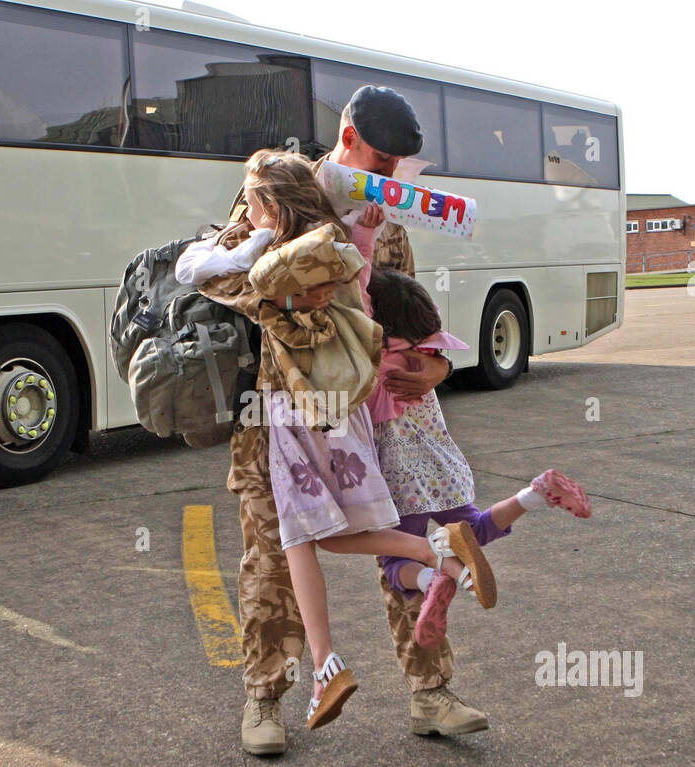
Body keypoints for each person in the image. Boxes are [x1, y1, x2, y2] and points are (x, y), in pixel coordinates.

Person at [190, 151, 497, 729]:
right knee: (273, 563)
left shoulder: (386, 214)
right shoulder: (271, 194)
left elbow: (408, 314)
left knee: (392, 533)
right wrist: (291, 287)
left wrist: (437, 367)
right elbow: (222, 279)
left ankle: (431, 692)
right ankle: (267, 698)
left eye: (400, 162)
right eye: (382, 158)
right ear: (348, 137)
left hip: (362, 413)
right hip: (267, 420)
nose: (392, 172)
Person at [366, 268, 591, 647]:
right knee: (474, 527)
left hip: (400, 478)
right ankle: (535, 494)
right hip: (442, 467)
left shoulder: (377, 369)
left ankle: (432, 577)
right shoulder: (427, 358)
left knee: (395, 562)